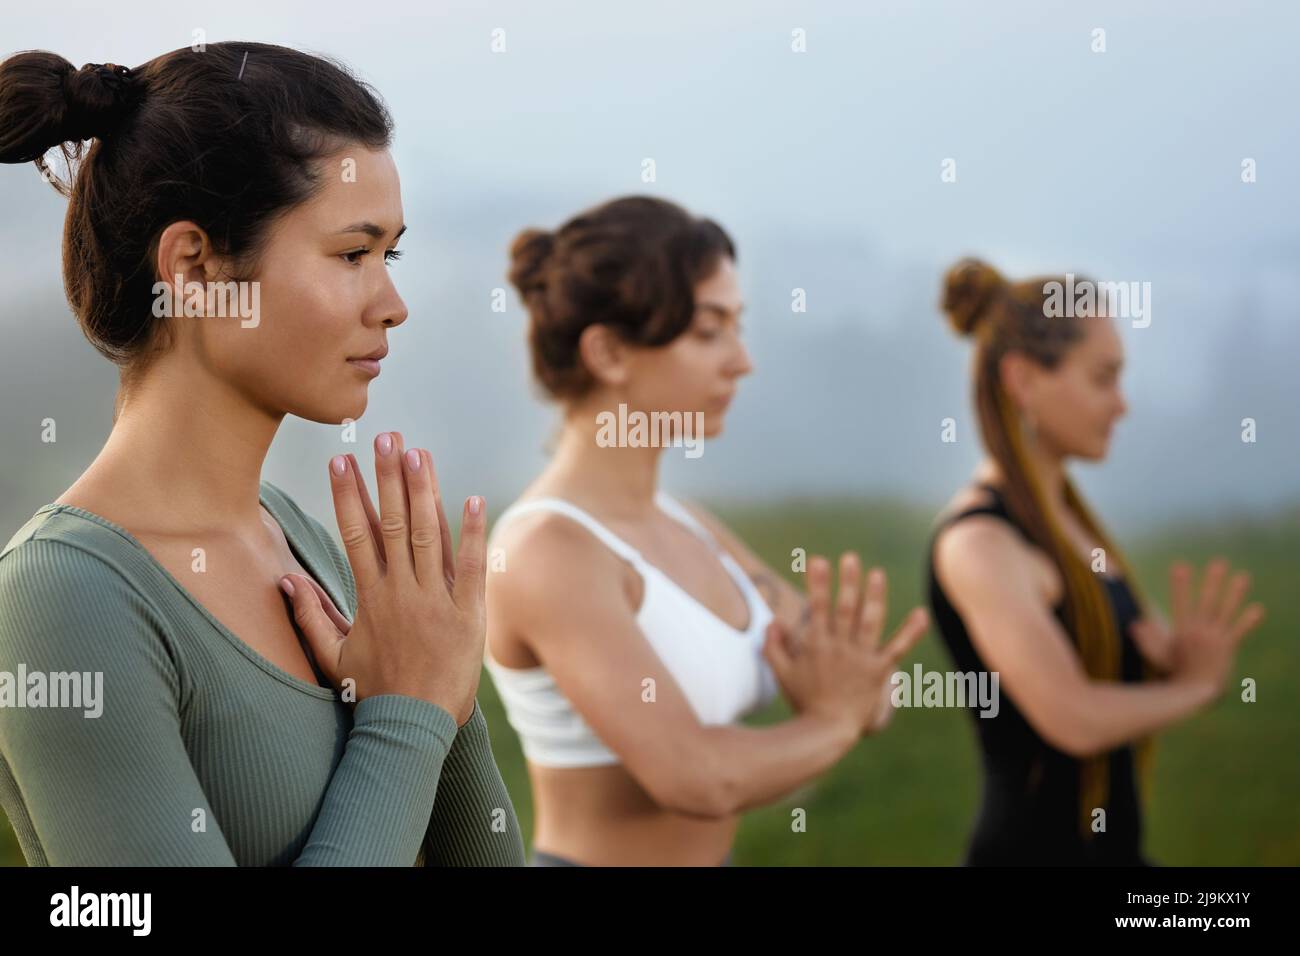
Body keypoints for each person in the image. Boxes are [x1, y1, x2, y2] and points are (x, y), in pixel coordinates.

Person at [0, 42, 523, 865]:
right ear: (197, 268)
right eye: (353, 255)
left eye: (393, 255)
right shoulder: (63, 596)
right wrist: (410, 715)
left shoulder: (305, 541)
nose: (393, 304)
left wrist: (441, 678)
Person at [485, 196, 929, 866]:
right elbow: (696, 775)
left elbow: (872, 691)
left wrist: (849, 701)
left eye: (737, 327)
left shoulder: (693, 527)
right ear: (608, 351)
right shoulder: (546, 551)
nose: (741, 361)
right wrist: (835, 720)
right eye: (708, 331)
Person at [926, 258, 1265, 865]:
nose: (1121, 405)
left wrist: (1172, 659)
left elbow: (1111, 661)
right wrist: (1197, 688)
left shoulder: (1069, 522)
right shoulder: (981, 543)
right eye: (1103, 379)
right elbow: (1073, 717)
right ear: (1024, 380)